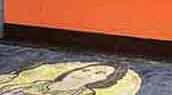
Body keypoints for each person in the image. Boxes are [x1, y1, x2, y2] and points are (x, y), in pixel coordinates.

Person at [0, 62, 141, 95]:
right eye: (87, 69)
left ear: (104, 80)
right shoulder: (36, 83)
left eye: (98, 73)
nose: (86, 72)